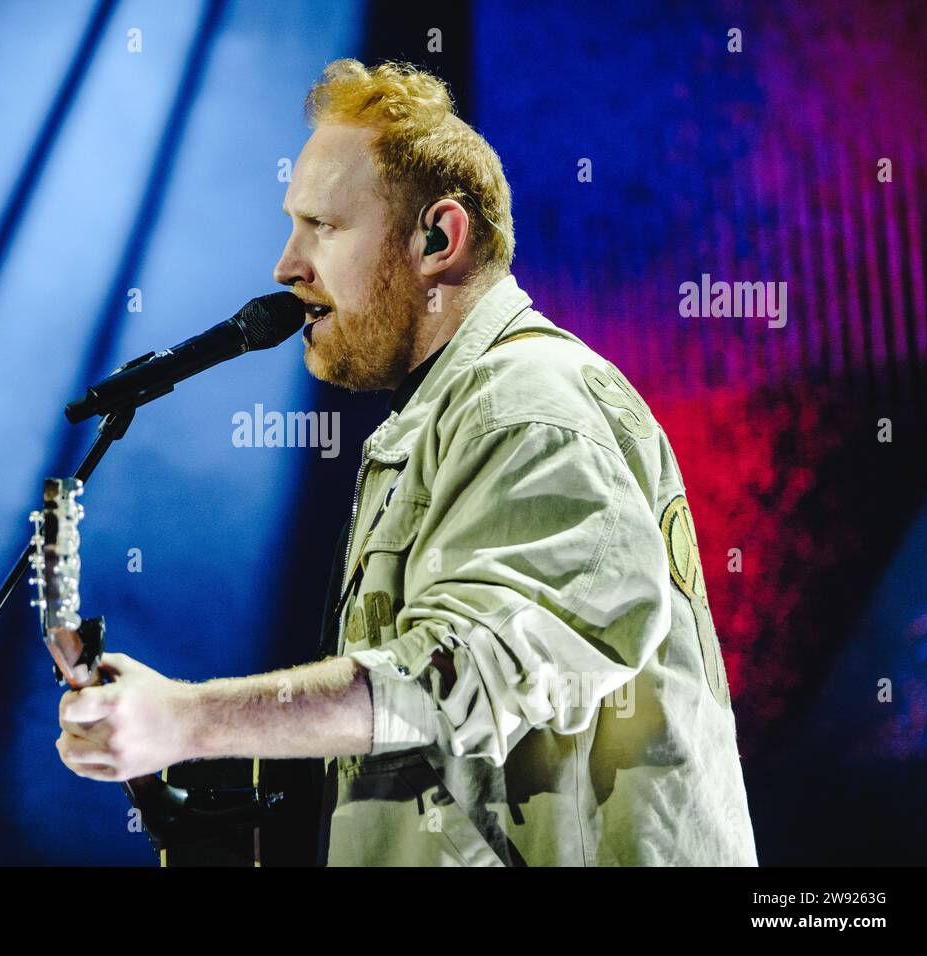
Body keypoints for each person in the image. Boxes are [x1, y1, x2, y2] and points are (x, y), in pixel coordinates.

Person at [55, 58, 759, 866]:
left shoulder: (527, 403)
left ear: (437, 239)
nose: (286, 267)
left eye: (322, 225)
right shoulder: (450, 416)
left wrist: (189, 719)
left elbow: (463, 676)